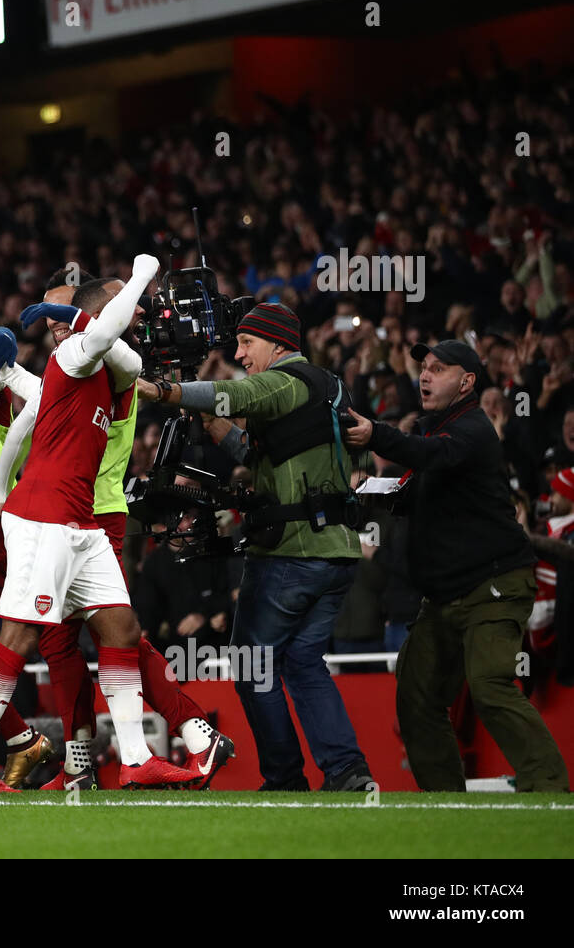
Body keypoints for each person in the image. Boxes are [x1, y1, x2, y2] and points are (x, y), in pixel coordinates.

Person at [0, 253, 202, 793]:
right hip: (41, 516)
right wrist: (138, 277)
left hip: (80, 522)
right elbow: (104, 333)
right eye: (121, 307)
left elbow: (121, 358)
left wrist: (89, 315)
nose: (133, 312)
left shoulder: (110, 367)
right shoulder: (76, 356)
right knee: (18, 636)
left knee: (121, 630)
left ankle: (135, 757)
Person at [135, 302, 374, 791]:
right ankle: (348, 771)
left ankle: (285, 777)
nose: (240, 354)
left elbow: (231, 393)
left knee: (252, 665)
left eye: (247, 343)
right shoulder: (326, 388)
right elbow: (256, 453)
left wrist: (164, 390)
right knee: (304, 661)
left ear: (278, 344)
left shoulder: (288, 380)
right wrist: (208, 418)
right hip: (335, 551)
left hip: (293, 552)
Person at [344, 339, 569, 792]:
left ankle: (550, 788)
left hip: (494, 582)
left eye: (438, 369)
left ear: (467, 382)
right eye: (423, 368)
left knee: (488, 684)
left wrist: (378, 434)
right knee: (416, 694)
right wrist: (356, 492)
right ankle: (446, 801)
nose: (424, 375)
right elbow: (411, 491)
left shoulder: (472, 428)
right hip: (445, 594)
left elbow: (433, 456)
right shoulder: (436, 432)